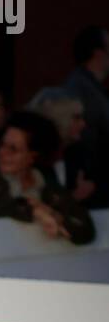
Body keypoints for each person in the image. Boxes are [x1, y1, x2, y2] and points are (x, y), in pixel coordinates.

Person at [0, 111, 95, 245]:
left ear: (32, 156)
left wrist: (56, 216)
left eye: (13, 148)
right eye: (2, 144)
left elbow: (86, 231)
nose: (2, 152)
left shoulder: (47, 184)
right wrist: (34, 211)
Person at [28, 88, 102, 206]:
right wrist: (73, 198)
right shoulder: (32, 158)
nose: (83, 124)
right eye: (76, 118)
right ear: (58, 118)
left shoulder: (80, 154)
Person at [62, 26, 109, 199]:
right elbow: (82, 141)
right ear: (98, 53)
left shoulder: (92, 89)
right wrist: (92, 180)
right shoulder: (81, 89)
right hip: (90, 189)